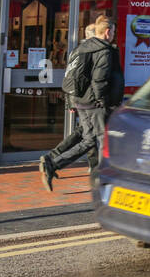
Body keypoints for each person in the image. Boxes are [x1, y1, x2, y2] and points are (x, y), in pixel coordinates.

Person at [39, 19, 122, 192]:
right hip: (94, 103)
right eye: (113, 32)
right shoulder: (104, 51)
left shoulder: (83, 47)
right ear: (107, 32)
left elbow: (72, 73)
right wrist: (102, 101)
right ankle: (104, 180)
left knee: (89, 139)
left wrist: (72, 100)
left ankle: (53, 163)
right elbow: (100, 79)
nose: (113, 35)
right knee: (100, 139)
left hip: (81, 101)